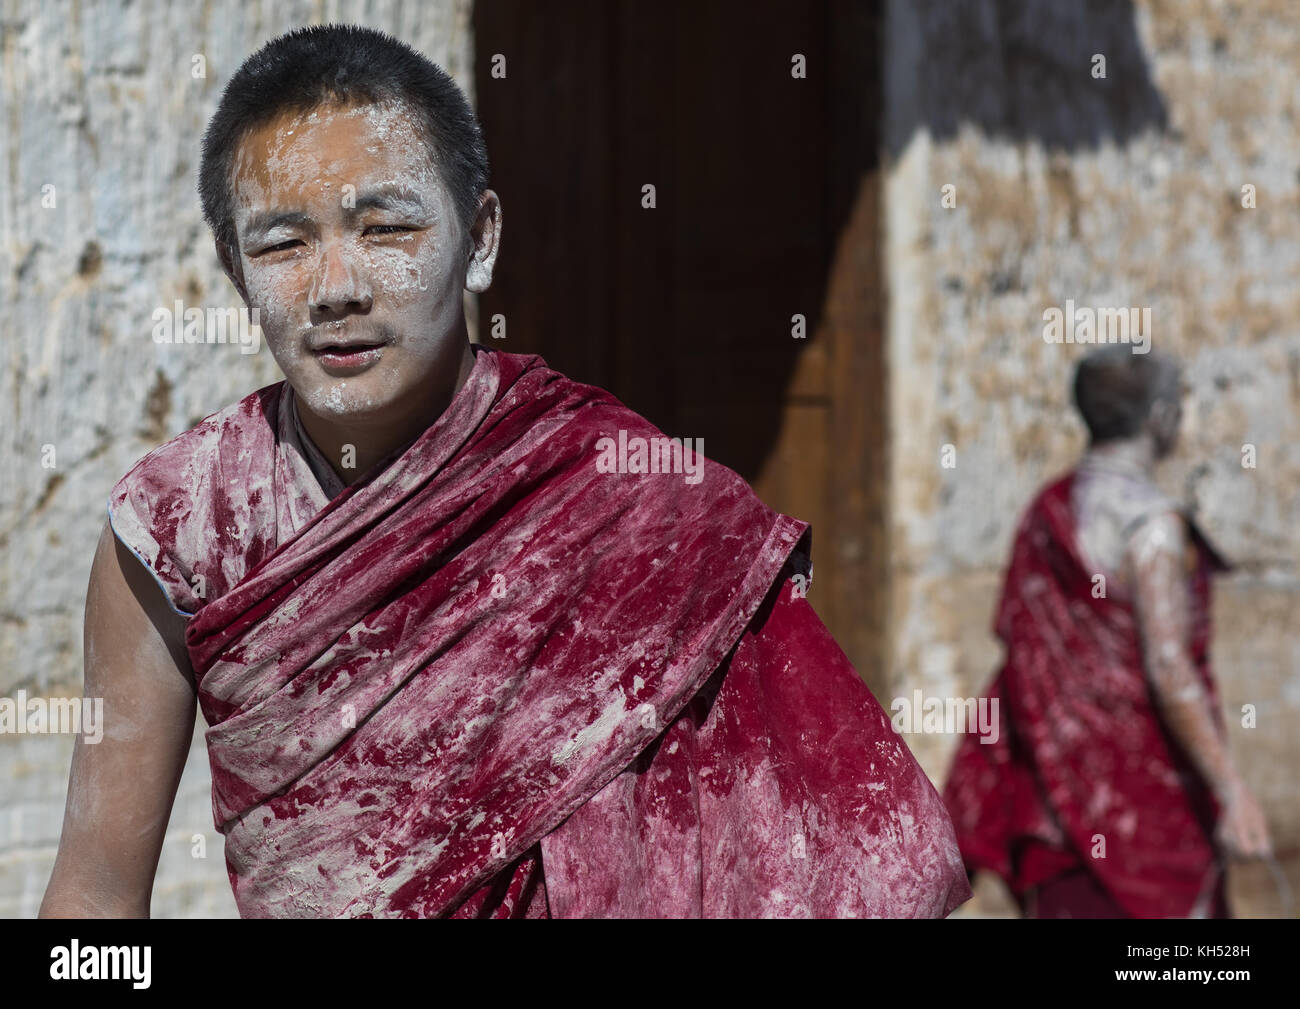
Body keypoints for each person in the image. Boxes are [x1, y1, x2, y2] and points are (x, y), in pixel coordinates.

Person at [39, 24, 969, 919]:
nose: (336, 287)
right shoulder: (178, 527)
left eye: (385, 227)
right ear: (236, 271)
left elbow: (859, 861)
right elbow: (95, 895)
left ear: (479, 239)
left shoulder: (640, 504)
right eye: (283, 244)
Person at [942, 346, 1272, 918]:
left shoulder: (1048, 509)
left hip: (1057, 788)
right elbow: (1169, 669)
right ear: (1161, 418)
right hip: (1145, 799)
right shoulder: (1154, 527)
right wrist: (1231, 788)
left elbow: (1022, 650)